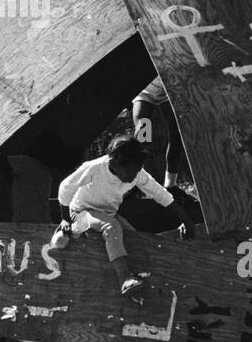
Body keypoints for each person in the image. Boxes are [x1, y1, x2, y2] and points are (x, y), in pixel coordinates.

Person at [52, 136, 188, 296]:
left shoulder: (136, 172)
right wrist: (65, 219)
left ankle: (140, 277)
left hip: (108, 213)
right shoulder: (94, 168)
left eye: (136, 171)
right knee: (111, 227)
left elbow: (159, 193)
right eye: (129, 172)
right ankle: (124, 279)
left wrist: (186, 220)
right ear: (114, 163)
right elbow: (65, 187)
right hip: (81, 212)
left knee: (135, 237)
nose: (133, 177)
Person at [130, 76, 187, 186]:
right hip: (147, 90)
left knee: (176, 133)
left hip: (168, 89)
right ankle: (141, 181)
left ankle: (170, 183)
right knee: (143, 131)